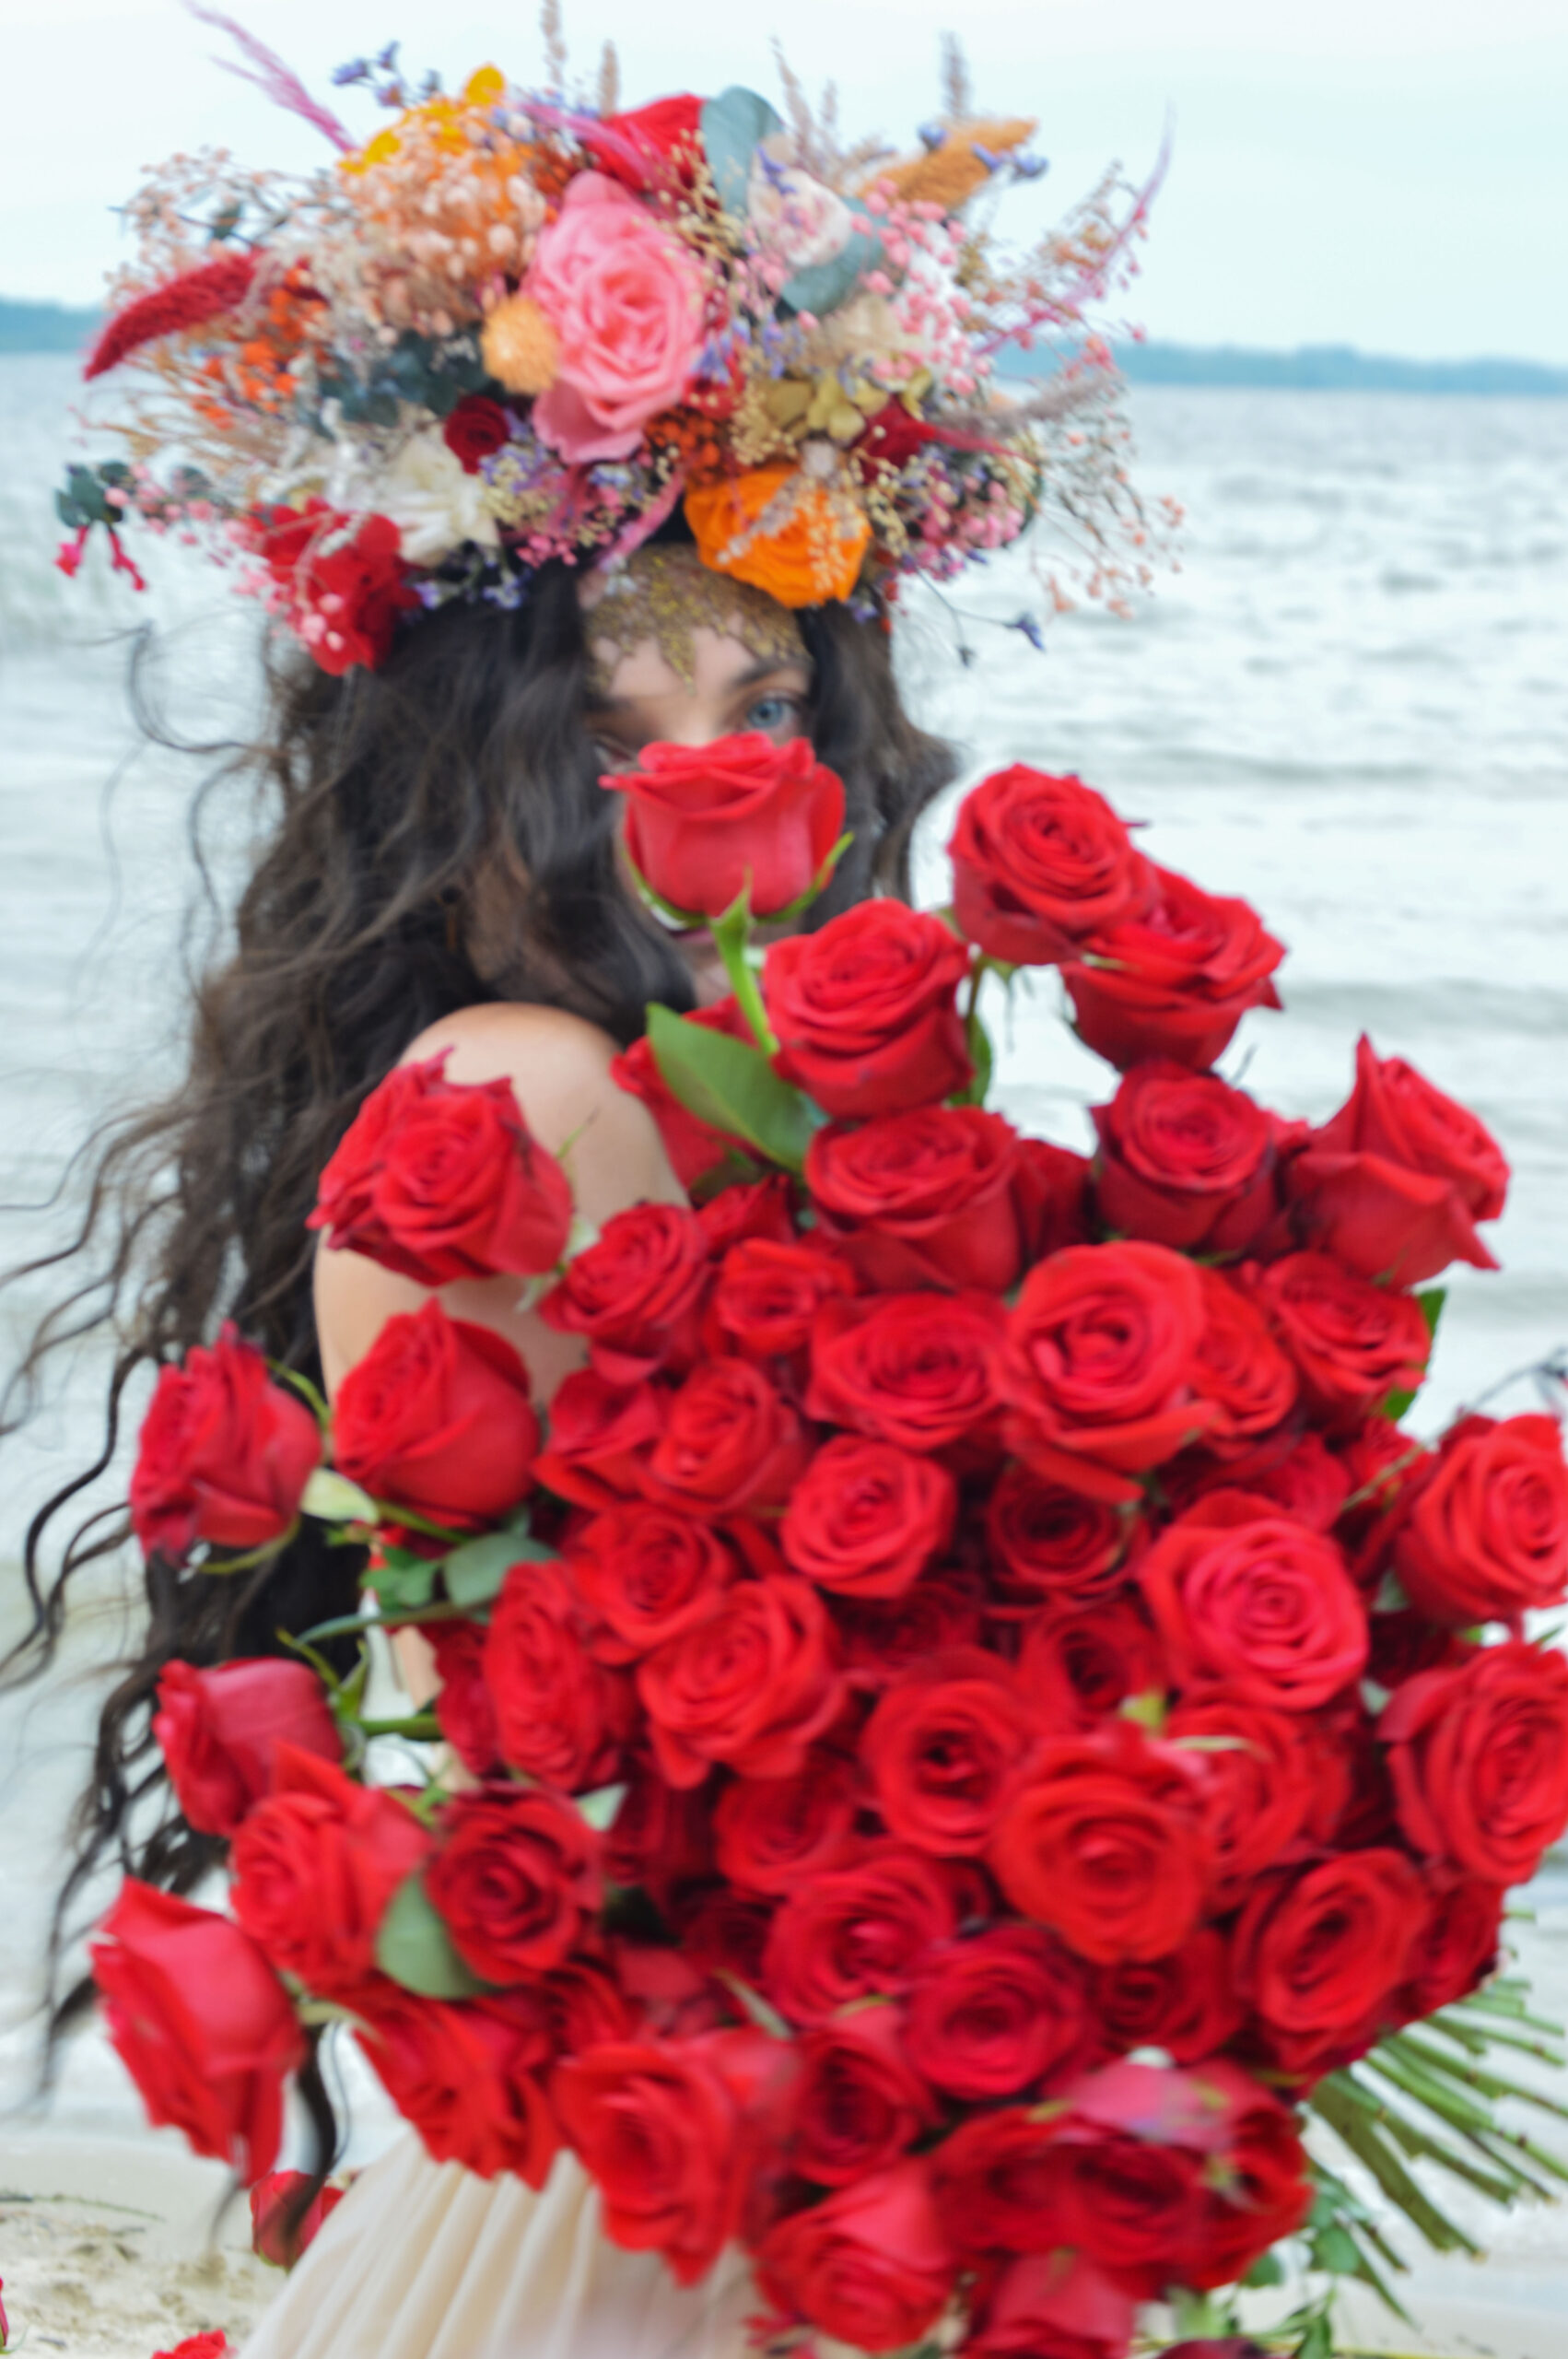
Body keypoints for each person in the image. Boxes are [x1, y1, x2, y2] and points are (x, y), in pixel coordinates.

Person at [7, 28, 1162, 2359]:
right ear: (481, 754)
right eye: (617, 732)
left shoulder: (660, 1083)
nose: (712, 778)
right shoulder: (524, 1097)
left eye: (770, 704)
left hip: (727, 2059)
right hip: (697, 2085)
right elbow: (592, 1712)